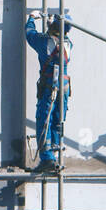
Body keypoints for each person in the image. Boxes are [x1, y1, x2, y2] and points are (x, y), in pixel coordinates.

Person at [26, 10, 71, 173]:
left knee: (44, 120)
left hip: (50, 86)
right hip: (64, 86)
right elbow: (56, 36)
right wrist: (51, 23)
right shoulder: (68, 43)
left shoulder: (44, 42)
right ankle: (55, 153)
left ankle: (47, 159)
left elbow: (30, 34)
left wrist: (31, 18)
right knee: (58, 121)